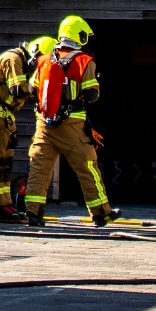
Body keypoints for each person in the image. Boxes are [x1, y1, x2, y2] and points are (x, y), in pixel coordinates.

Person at [23, 15, 115, 227]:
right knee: (87, 167)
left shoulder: (43, 60)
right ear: (79, 35)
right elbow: (91, 94)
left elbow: (30, 89)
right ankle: (101, 212)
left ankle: (33, 213)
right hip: (72, 124)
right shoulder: (84, 60)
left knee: (39, 168)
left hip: (44, 123)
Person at [0, 35, 53, 222]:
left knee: (6, 165)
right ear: (35, 52)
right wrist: (38, 81)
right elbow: (18, 89)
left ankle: (5, 203)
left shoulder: (22, 62)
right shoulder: (14, 58)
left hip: (5, 118)